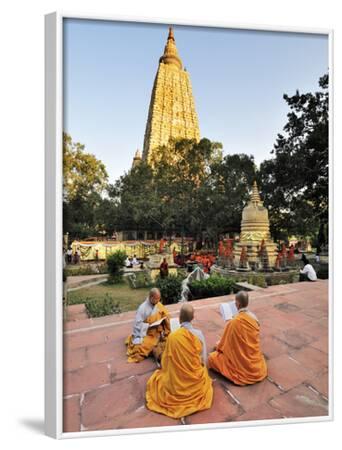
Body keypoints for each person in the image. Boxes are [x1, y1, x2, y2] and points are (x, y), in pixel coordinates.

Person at [146, 303, 213, 419]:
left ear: (180, 318)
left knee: (158, 377)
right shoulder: (199, 335)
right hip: (195, 382)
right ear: (192, 318)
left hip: (176, 384)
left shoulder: (173, 337)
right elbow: (203, 359)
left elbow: (165, 363)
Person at [208, 291, 267, 385]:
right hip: (253, 360)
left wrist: (218, 346)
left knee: (212, 358)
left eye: (235, 303)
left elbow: (224, 344)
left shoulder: (234, 322)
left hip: (240, 364)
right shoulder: (254, 319)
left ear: (238, 304)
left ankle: (238, 372)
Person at [125, 288, 170, 363]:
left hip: (158, 331)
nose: (158, 301)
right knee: (141, 348)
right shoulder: (142, 308)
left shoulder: (158, 304)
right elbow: (137, 325)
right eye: (156, 299)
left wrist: (163, 323)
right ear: (151, 297)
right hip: (147, 333)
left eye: (159, 299)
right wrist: (148, 326)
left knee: (169, 339)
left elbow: (165, 315)